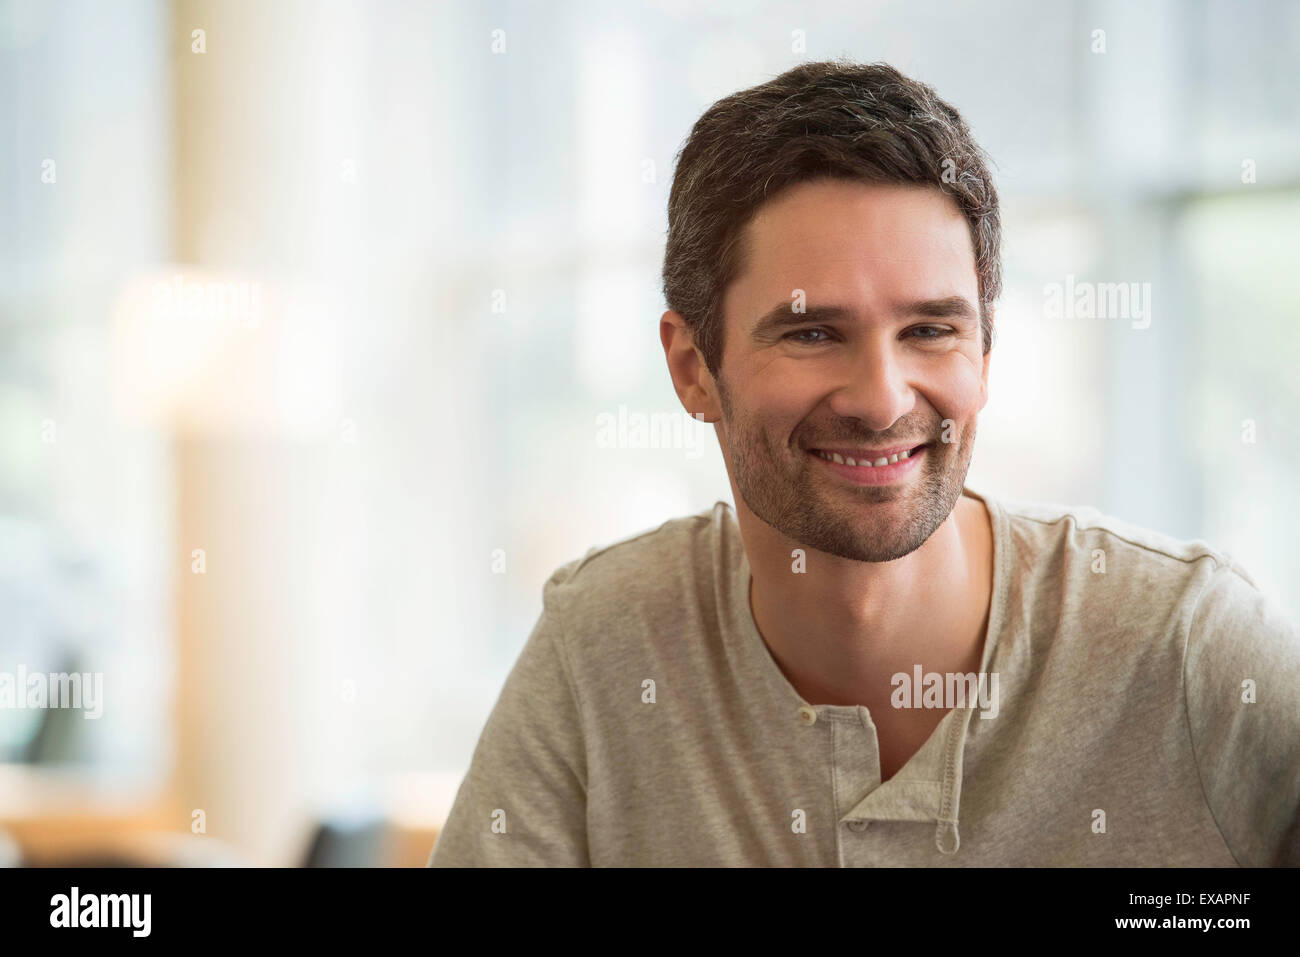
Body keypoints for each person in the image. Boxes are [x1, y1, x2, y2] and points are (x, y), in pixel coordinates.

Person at [430, 60, 1300, 866]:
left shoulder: (1190, 646)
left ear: (986, 359)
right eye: (813, 332)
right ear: (694, 367)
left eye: (930, 329)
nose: (882, 399)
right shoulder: (603, 647)